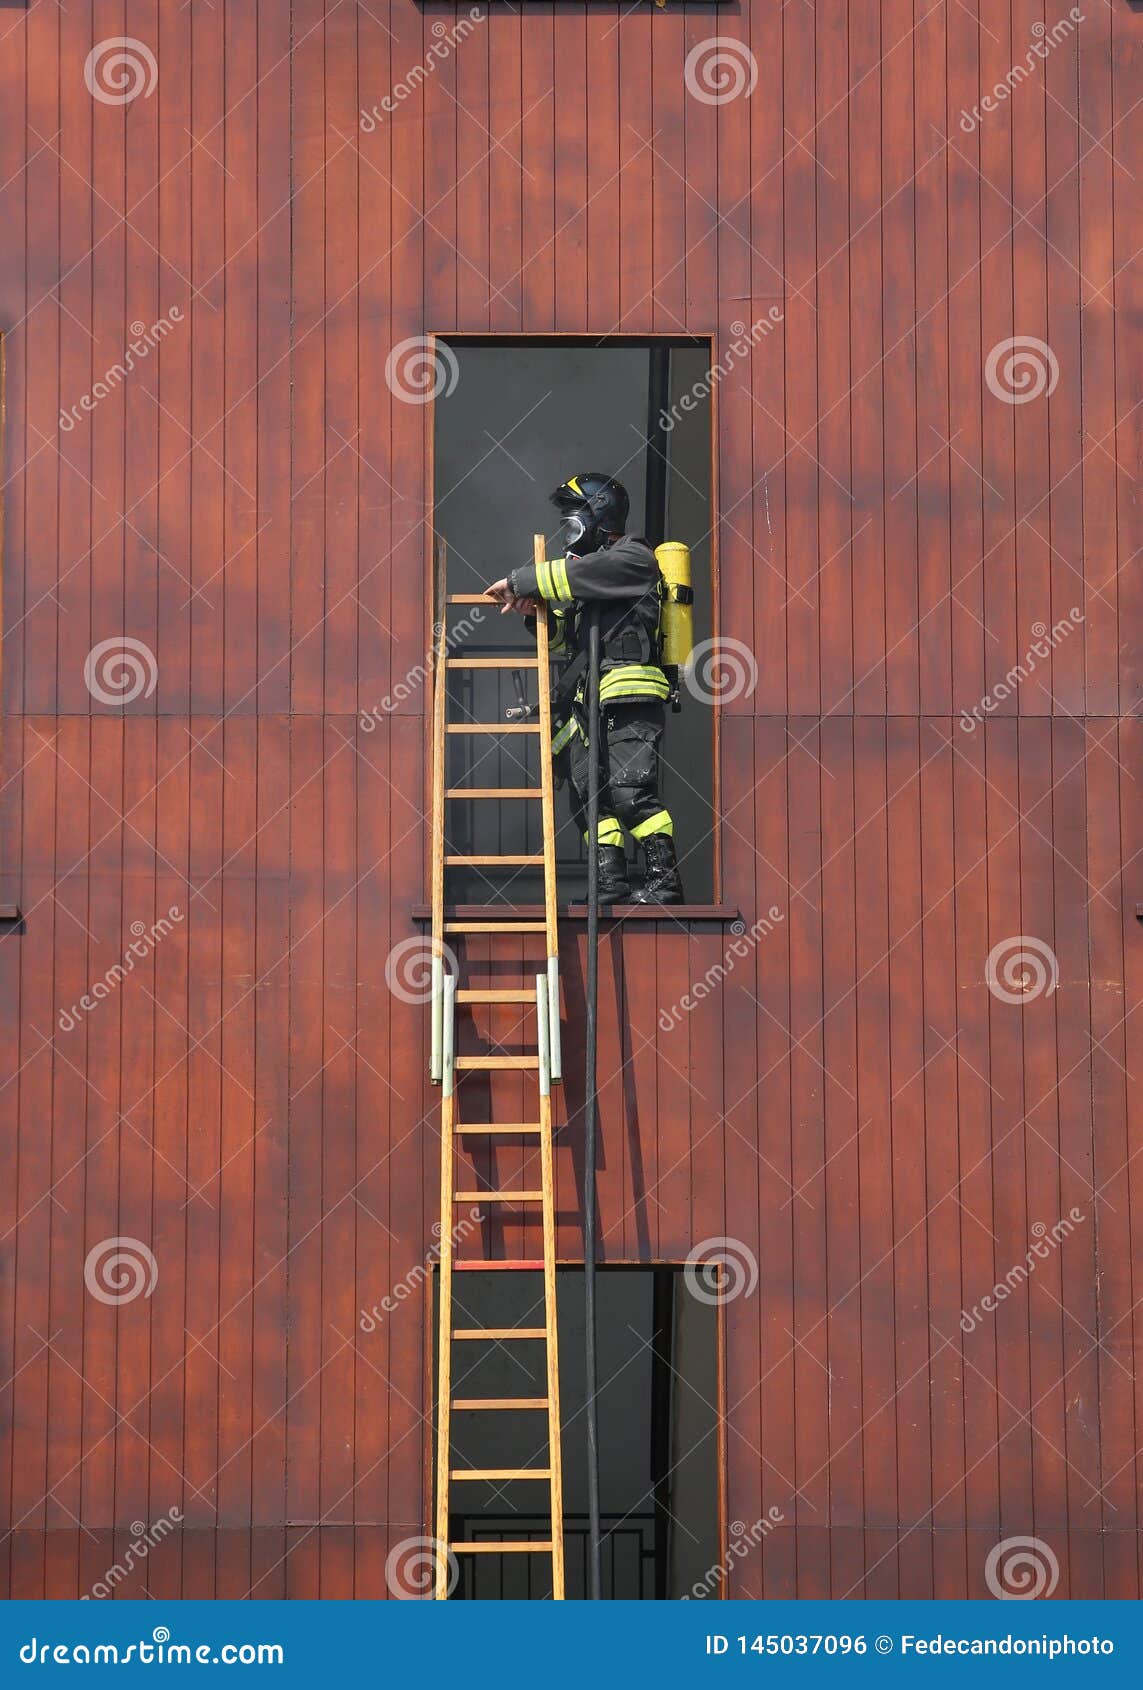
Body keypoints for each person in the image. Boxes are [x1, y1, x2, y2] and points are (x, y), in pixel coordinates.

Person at [485, 473, 684, 905]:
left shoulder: (633, 559)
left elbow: (583, 573)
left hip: (627, 697)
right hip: (588, 705)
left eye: (573, 523)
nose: (569, 535)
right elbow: (569, 644)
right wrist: (535, 612)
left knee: (630, 793)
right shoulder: (591, 583)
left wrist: (523, 580)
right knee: (590, 800)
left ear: (598, 518)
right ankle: (608, 885)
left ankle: (663, 882)